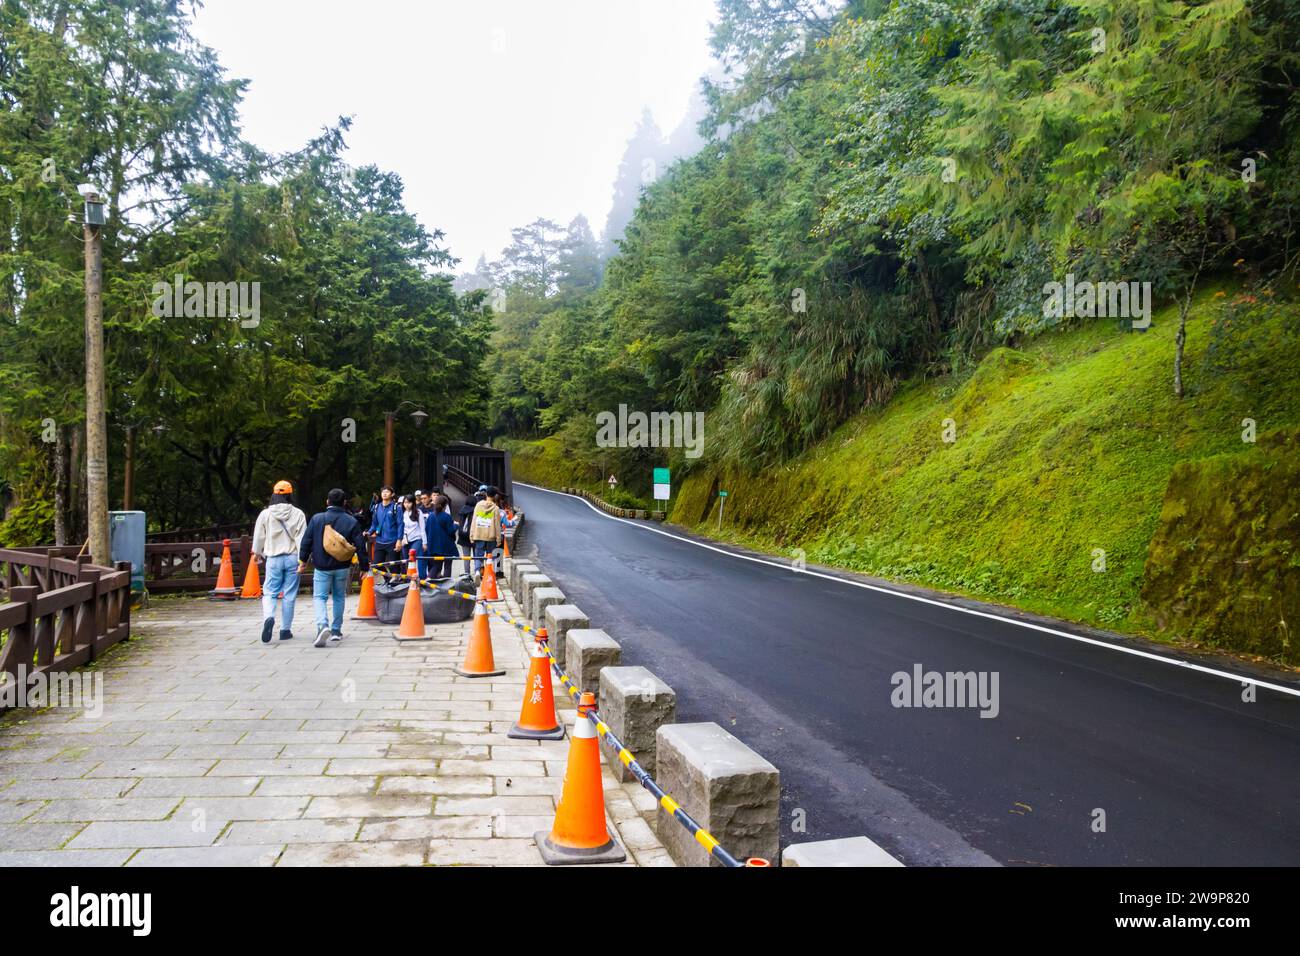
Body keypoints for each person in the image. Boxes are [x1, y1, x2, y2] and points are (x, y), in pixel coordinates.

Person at [299, 488, 370, 647]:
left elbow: (306, 541)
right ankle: (336, 631)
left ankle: (322, 625)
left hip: (322, 566)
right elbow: (360, 545)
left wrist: (303, 560)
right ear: (344, 502)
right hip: (342, 566)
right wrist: (364, 567)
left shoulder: (317, 519)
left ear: (327, 502)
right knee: (339, 596)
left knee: (320, 597)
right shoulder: (351, 521)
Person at [251, 479, 308, 643]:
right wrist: (302, 559)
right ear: (290, 494)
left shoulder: (265, 514)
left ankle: (269, 617)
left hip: (273, 558)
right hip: (292, 558)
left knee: (269, 592)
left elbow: (259, 536)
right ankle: (285, 630)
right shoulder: (298, 513)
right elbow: (301, 538)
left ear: (274, 494)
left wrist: (257, 553)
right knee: (289, 594)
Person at [468, 484, 502, 580]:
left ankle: (478, 571)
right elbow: (497, 525)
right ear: (495, 496)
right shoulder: (495, 509)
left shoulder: (478, 505)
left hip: (479, 535)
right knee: (490, 556)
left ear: (486, 494)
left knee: (478, 555)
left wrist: (471, 535)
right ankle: (489, 575)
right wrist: (499, 539)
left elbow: (474, 521)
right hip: (491, 536)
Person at [369, 485, 402, 583]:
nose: (384, 493)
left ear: (392, 494)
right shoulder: (376, 507)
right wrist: (369, 531)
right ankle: (389, 580)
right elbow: (374, 523)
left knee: (394, 567)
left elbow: (400, 524)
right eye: (383, 492)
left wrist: (399, 540)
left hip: (393, 540)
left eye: (387, 492)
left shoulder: (396, 507)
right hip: (380, 540)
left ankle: (396, 585)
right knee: (376, 565)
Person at [424, 493, 459, 580]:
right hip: (446, 545)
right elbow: (451, 531)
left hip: (433, 545)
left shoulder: (430, 516)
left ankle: (428, 579)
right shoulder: (447, 517)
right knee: (447, 566)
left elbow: (426, 530)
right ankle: (447, 584)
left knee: (437, 566)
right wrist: (456, 526)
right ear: (445, 505)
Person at [456, 486, 487, 577]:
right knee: (477, 556)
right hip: (473, 536)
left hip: (463, 537)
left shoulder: (462, 510)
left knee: (466, 558)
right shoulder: (475, 510)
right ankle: (479, 572)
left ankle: (467, 575)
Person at [397, 493, 427, 580]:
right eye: (405, 502)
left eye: (409, 502)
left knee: (414, 556)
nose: (407, 505)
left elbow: (422, 528)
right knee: (406, 560)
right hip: (405, 540)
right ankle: (409, 579)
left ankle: (422, 578)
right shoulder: (401, 513)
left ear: (413, 503)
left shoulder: (418, 512)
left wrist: (424, 542)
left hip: (417, 539)